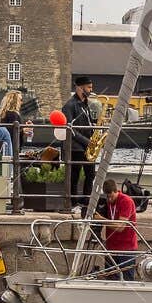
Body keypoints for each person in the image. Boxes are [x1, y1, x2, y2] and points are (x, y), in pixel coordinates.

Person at [62, 75, 96, 212]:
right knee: (74, 175)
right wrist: (87, 142)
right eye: (89, 87)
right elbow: (71, 129)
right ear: (80, 88)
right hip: (76, 147)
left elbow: (86, 124)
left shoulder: (85, 104)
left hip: (87, 145)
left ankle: (87, 200)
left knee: (91, 174)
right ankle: (73, 202)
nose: (91, 90)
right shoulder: (70, 105)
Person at [98, 177, 140, 280]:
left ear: (116, 191)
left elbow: (120, 227)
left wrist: (101, 219)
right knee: (111, 279)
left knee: (127, 280)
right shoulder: (108, 202)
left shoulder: (126, 201)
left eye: (111, 196)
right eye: (107, 197)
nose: (109, 199)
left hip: (126, 248)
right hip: (111, 247)